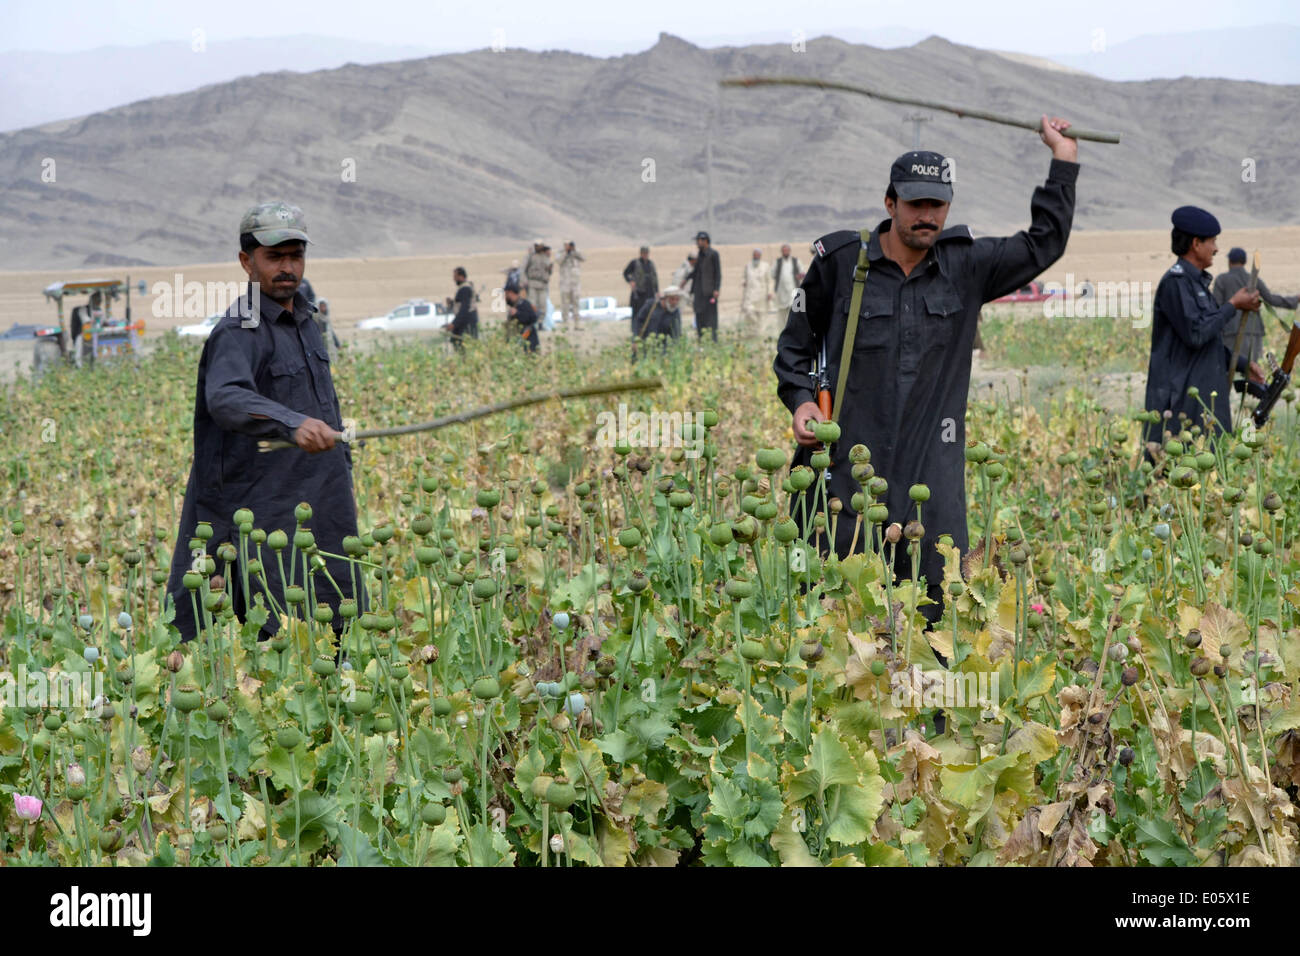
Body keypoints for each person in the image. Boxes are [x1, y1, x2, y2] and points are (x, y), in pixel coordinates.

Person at [773, 119, 1080, 629]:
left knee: (932, 618)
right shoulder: (843, 265)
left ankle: (930, 708)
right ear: (890, 204)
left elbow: (1043, 243)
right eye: (915, 204)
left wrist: (1063, 159)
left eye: (937, 205)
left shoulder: (968, 265)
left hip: (930, 480)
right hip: (847, 477)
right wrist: (802, 400)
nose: (926, 216)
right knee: (834, 612)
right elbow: (796, 345)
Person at [164, 201, 357, 645]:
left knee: (339, 628)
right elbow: (226, 397)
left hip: (321, 505)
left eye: (296, 256)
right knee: (271, 639)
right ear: (247, 262)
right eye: (275, 257)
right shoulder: (239, 330)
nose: (288, 268)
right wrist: (291, 424)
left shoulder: (307, 322)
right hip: (261, 515)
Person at [1142, 210, 1264, 451]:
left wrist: (1241, 364)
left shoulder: (1197, 284)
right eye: (1212, 242)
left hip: (1205, 399)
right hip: (1182, 402)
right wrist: (1232, 305)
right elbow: (1196, 334)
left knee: (1213, 472)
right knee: (1177, 476)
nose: (1217, 249)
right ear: (1196, 244)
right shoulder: (1175, 284)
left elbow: (1210, 342)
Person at [1214, 246, 1299, 365]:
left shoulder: (1221, 280)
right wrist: (1296, 299)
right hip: (1254, 331)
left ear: (1229, 261)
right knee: (1251, 369)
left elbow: (1215, 307)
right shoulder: (1253, 279)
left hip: (1230, 331)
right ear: (1244, 262)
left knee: (1232, 368)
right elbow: (1271, 299)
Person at [631, 285, 683, 359]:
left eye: (677, 299)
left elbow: (676, 334)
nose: (674, 302)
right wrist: (635, 340)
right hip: (644, 344)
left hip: (661, 348)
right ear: (665, 299)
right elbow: (638, 321)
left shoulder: (675, 312)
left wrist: (676, 349)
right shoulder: (651, 305)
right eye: (672, 299)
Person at [691, 231, 721, 341]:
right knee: (699, 316)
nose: (697, 243)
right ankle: (701, 340)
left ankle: (714, 340)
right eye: (697, 241)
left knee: (711, 318)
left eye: (699, 241)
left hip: (709, 292)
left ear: (705, 241)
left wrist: (716, 289)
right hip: (699, 293)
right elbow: (695, 273)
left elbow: (717, 273)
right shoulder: (699, 255)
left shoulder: (713, 254)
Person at [445, 267, 479, 351]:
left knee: (464, 349)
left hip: (466, 325)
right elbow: (461, 305)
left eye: (455, 277)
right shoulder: (464, 288)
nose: (454, 279)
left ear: (461, 277)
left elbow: (464, 309)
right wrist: (452, 303)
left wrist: (454, 324)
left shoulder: (465, 289)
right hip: (465, 323)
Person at [623, 246, 659, 321]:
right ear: (641, 253)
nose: (645, 255)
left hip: (650, 292)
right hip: (639, 293)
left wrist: (657, 291)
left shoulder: (650, 264)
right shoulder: (634, 263)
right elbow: (625, 273)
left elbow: (655, 278)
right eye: (644, 253)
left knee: (649, 312)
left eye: (646, 253)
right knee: (637, 313)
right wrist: (630, 281)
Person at [740, 247, 773, 327]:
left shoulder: (766, 266)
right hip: (750, 294)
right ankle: (754, 328)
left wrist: (770, 292)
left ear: (760, 256)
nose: (756, 256)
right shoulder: (748, 266)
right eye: (754, 255)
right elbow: (744, 277)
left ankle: (759, 333)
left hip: (762, 295)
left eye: (757, 255)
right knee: (749, 312)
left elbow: (770, 281)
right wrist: (744, 282)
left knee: (761, 315)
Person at [556, 240, 585, 328]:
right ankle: (565, 323)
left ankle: (577, 323)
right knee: (565, 304)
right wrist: (566, 252)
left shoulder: (575, 252)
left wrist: (574, 251)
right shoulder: (560, 252)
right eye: (567, 245)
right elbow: (558, 261)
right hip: (565, 283)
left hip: (575, 283)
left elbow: (583, 258)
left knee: (576, 302)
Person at [523, 240, 553, 317]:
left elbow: (549, 271)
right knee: (532, 304)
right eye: (537, 245)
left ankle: (541, 322)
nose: (539, 247)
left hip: (543, 284)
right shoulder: (530, 256)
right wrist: (524, 281)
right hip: (532, 283)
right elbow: (523, 269)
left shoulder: (546, 257)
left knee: (543, 304)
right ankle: (533, 321)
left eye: (540, 246)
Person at [505, 286, 539, 353]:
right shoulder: (515, 305)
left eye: (506, 294)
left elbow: (533, 318)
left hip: (529, 339)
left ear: (511, 293)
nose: (505, 297)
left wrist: (517, 313)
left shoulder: (524, 304)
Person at [772, 243, 803, 312]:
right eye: (783, 250)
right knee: (782, 311)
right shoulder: (777, 262)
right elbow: (773, 274)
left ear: (789, 251)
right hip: (781, 291)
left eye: (786, 250)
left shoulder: (796, 261)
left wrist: (800, 275)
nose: (785, 252)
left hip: (794, 288)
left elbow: (802, 273)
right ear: (781, 252)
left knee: (795, 310)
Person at [314, 296, 341, 362]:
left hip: (327, 346)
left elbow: (331, 333)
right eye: (321, 307)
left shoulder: (326, 319)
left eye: (324, 306)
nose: (323, 308)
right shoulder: (315, 319)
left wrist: (338, 345)